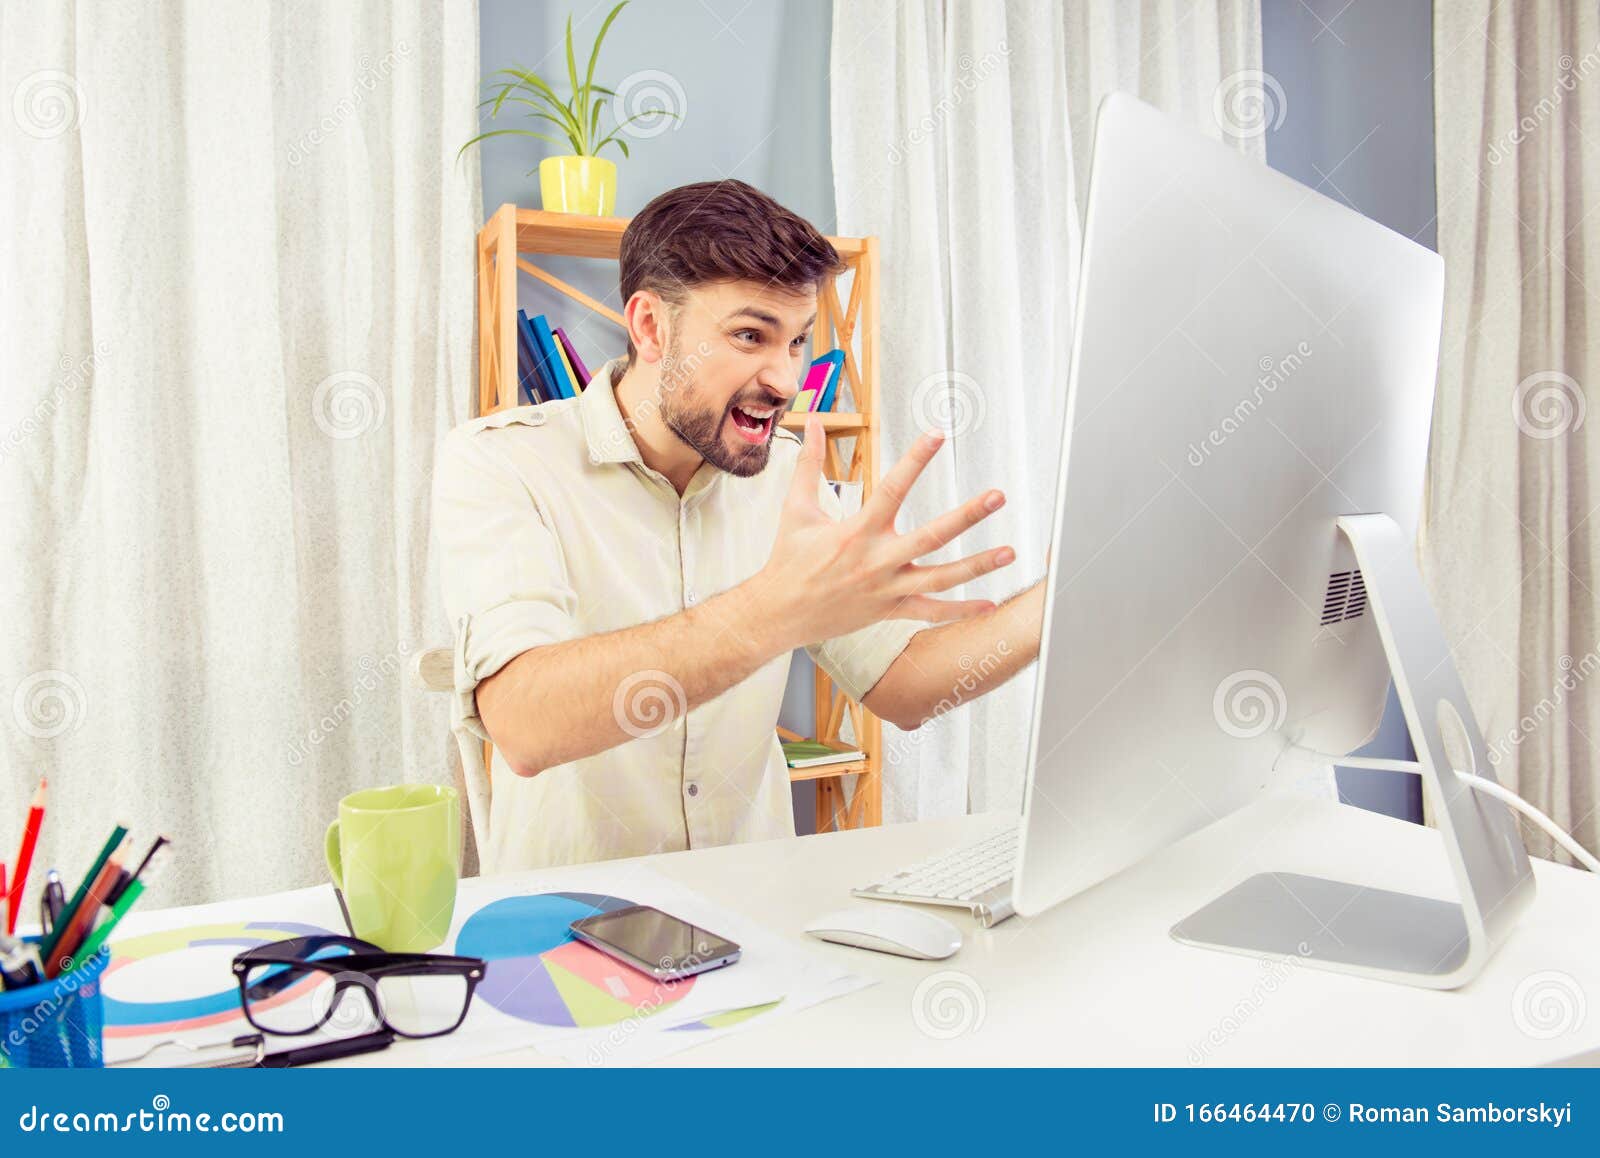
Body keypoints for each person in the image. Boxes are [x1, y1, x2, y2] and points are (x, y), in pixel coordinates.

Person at [433, 178, 1043, 873]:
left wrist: (1071, 593)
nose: (786, 380)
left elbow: (902, 685)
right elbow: (524, 723)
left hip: (752, 904)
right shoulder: (502, 462)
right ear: (651, 328)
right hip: (569, 917)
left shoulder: (789, 478)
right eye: (751, 335)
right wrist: (775, 610)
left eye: (798, 341)